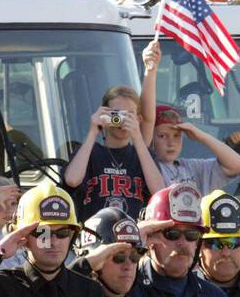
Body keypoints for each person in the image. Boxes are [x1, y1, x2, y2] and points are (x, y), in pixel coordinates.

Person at [63, 83, 165, 224]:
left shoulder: (143, 156)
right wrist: (93, 131)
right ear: (104, 115)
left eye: (128, 115)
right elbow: (72, 180)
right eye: (116, 114)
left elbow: (160, 192)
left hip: (135, 236)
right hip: (94, 237)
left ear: (138, 119)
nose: (121, 120)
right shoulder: (89, 152)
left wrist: (137, 138)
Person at [151, 104, 240, 193]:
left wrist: (202, 137)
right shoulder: (145, 167)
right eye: (162, 136)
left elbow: (237, 165)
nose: (171, 143)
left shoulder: (190, 167)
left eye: (177, 135)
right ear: (151, 138)